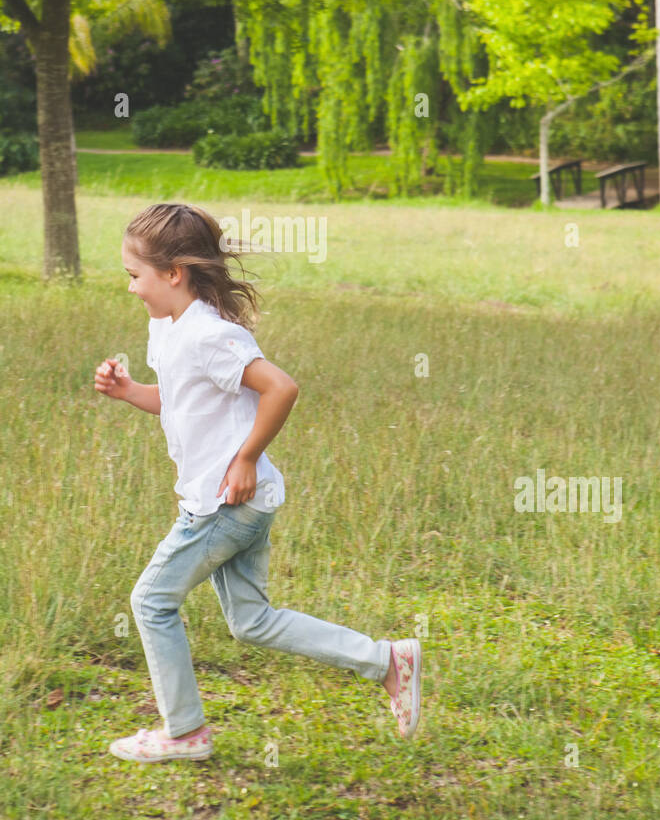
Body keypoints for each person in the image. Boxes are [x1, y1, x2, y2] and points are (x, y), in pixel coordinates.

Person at [94, 202, 421, 763]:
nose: (131, 289)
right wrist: (130, 393)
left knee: (150, 603)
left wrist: (246, 457)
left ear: (173, 274)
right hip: (241, 502)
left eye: (134, 276)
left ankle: (184, 732)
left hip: (223, 505)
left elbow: (282, 388)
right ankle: (388, 661)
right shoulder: (167, 329)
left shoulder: (209, 335)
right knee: (252, 621)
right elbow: (177, 402)